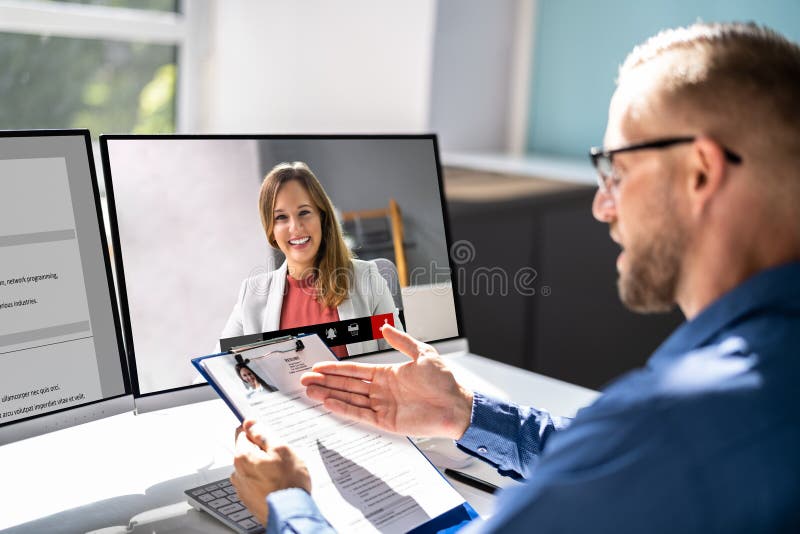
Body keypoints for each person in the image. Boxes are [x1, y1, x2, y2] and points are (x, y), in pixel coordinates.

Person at [230, 22, 800, 532]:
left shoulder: (672, 426)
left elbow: (634, 449)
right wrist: (465, 412)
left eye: (618, 170)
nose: (603, 205)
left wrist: (290, 507)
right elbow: (604, 454)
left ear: (701, 172)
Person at [220, 161, 402, 358]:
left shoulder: (366, 278)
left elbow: (400, 358)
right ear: (271, 230)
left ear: (322, 218)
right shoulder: (253, 295)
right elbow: (221, 367)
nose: (295, 227)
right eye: (281, 217)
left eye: (304, 212)